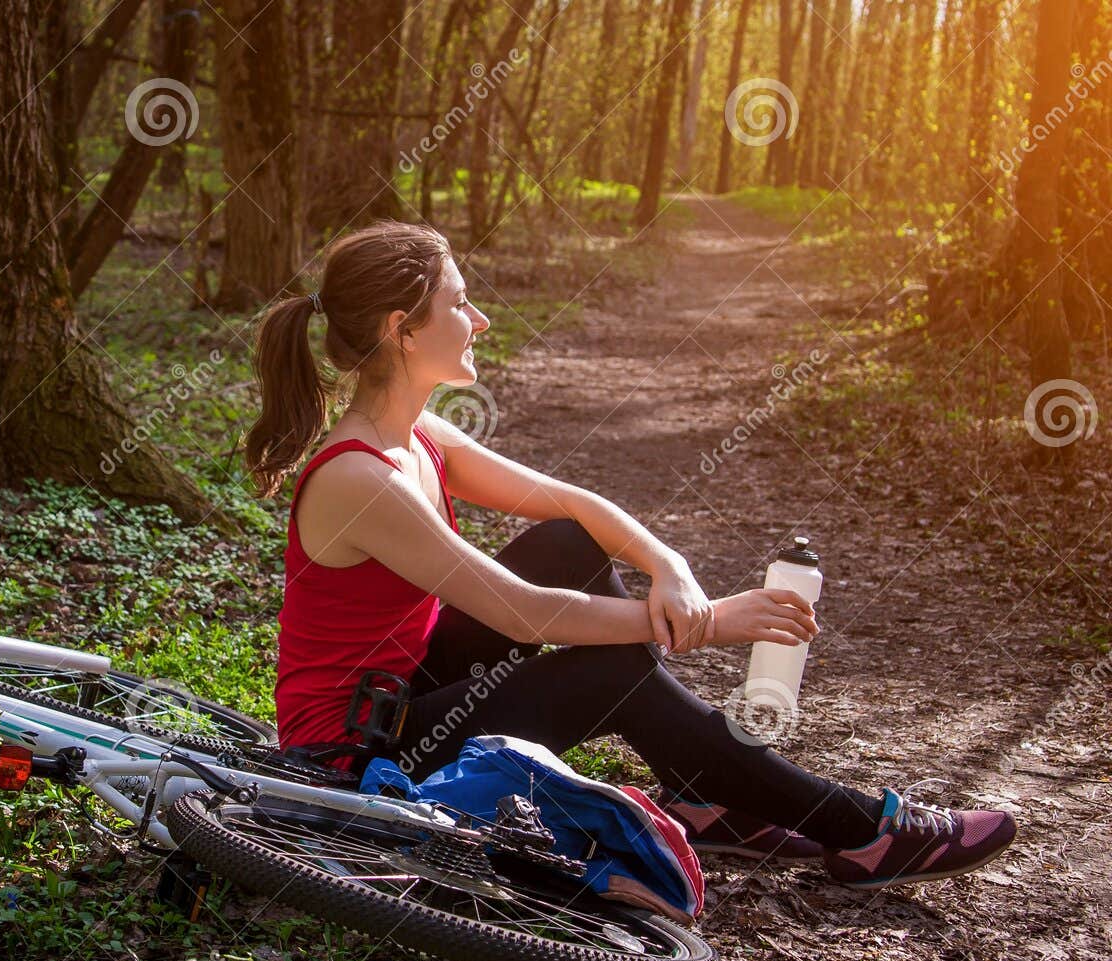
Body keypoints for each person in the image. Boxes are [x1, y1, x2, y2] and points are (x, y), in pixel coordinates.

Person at [243, 219, 1016, 890]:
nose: (479, 318)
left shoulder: (415, 435)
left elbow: (572, 503)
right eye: (458, 304)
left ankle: (701, 789)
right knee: (606, 671)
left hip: (405, 693)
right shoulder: (357, 479)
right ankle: (859, 828)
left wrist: (667, 564)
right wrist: (712, 622)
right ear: (400, 330)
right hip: (353, 760)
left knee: (566, 543)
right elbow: (523, 610)